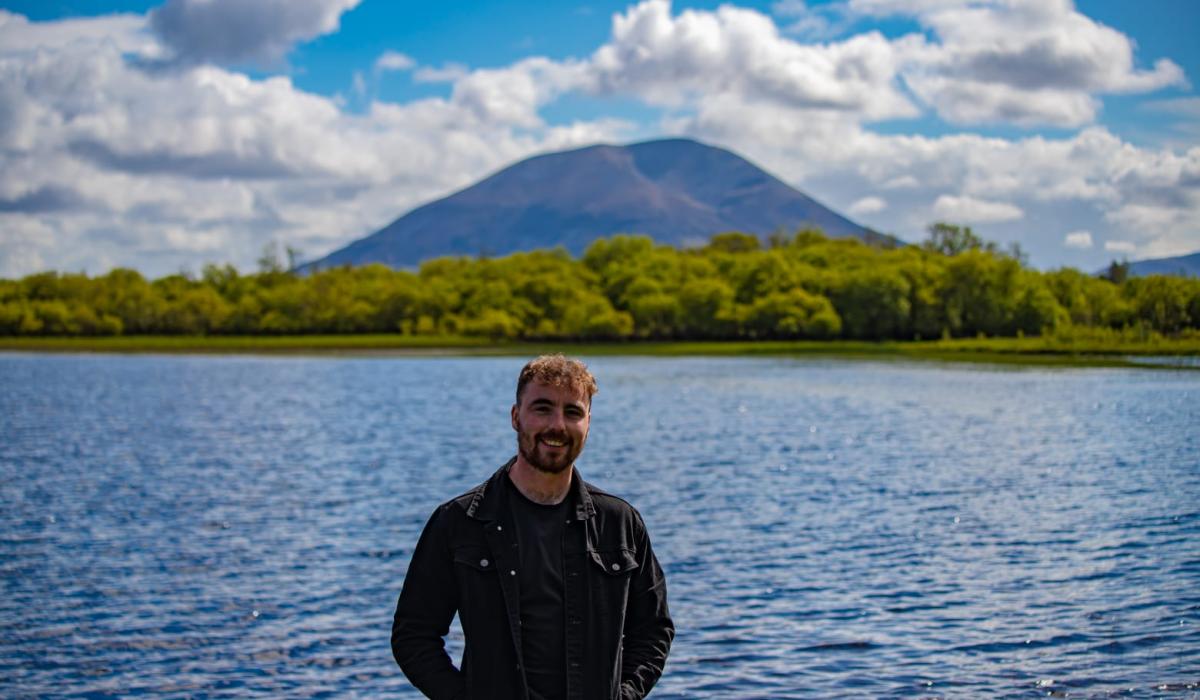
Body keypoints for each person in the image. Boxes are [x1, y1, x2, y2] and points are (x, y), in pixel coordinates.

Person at [392, 354, 674, 699]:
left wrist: (623, 695)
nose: (557, 425)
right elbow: (414, 636)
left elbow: (653, 632)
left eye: (573, 412)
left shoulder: (621, 523)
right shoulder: (458, 522)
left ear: (588, 423)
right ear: (515, 417)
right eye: (542, 408)